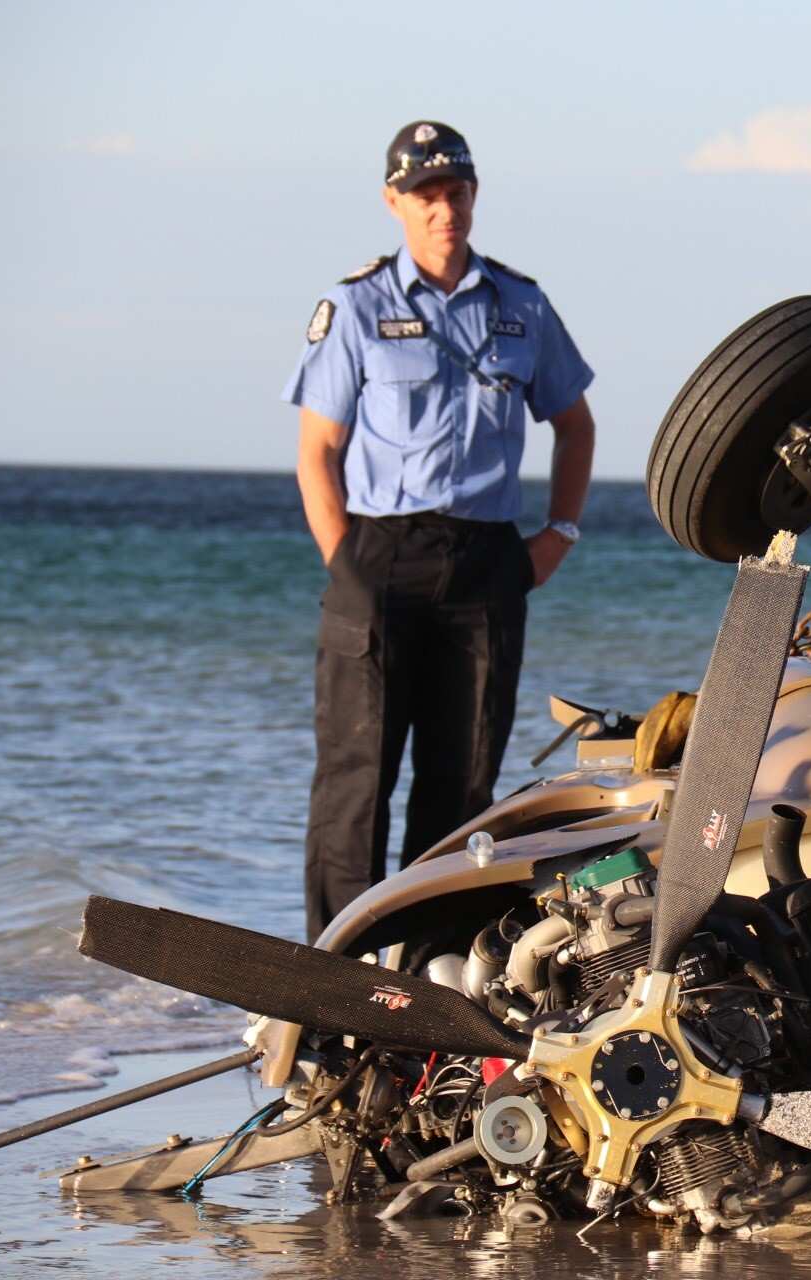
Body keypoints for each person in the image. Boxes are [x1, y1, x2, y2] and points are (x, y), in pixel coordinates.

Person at [282, 121, 595, 939]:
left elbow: (576, 423)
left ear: (473, 196)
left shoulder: (521, 306)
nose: (443, 208)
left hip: (488, 562)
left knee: (460, 789)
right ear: (395, 203)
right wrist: (345, 561)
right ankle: (336, 975)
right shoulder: (356, 306)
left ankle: (432, 976)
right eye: (425, 194)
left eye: (455, 192)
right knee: (356, 782)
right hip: (378, 558)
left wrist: (559, 533)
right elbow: (317, 452)